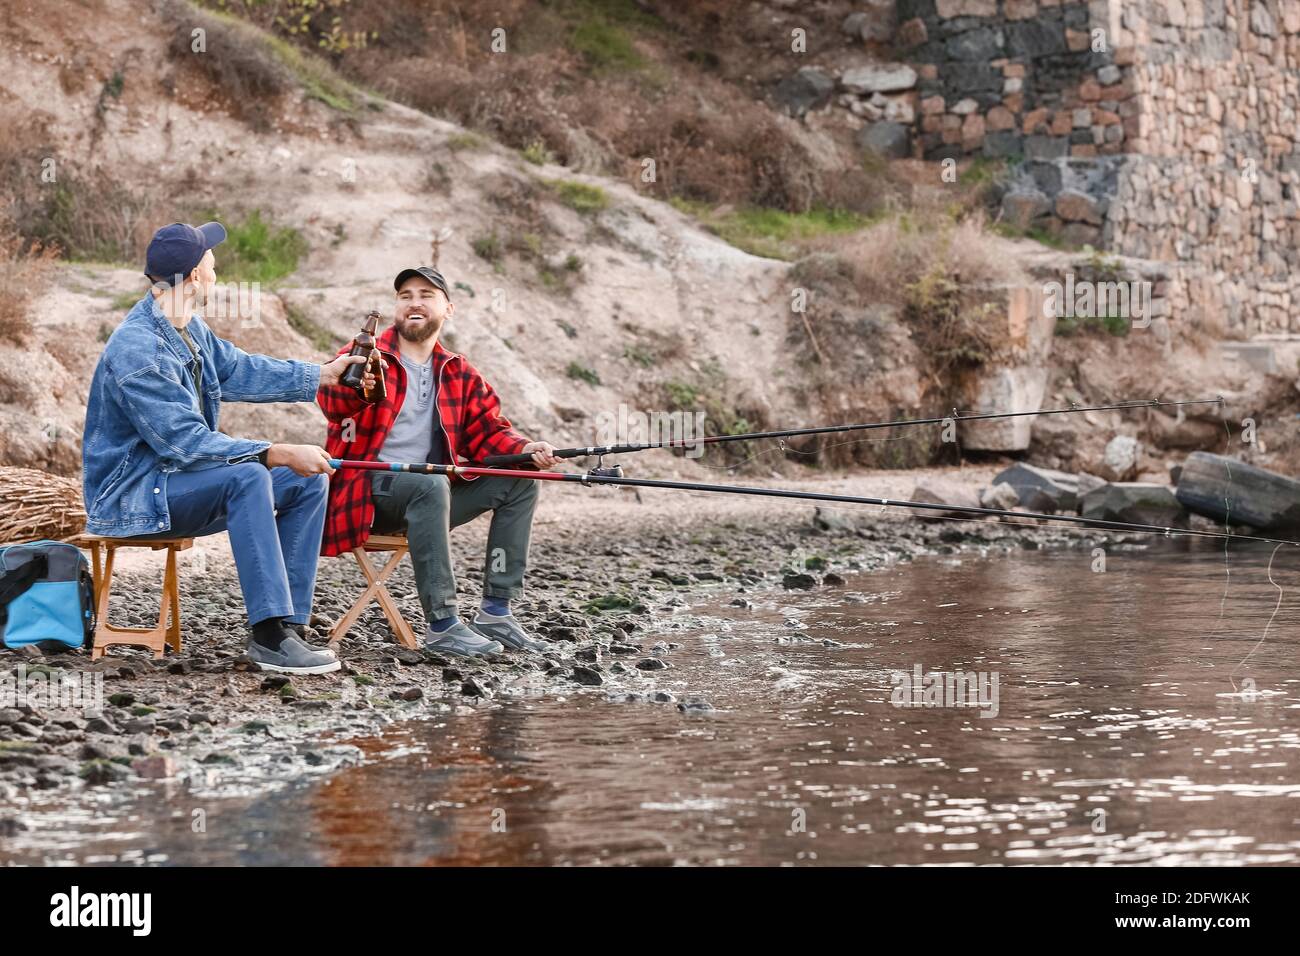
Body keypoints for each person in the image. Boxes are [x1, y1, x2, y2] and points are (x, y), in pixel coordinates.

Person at [83, 221, 375, 674]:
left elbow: (239, 369)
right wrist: (275, 450)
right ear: (195, 277)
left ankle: (289, 625)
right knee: (248, 474)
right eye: (210, 261)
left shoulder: (186, 327)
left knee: (305, 481)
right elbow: (186, 443)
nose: (216, 266)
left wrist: (323, 373)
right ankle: (268, 634)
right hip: (134, 498)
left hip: (178, 486)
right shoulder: (140, 351)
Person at [317, 266, 558, 658]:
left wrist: (528, 449)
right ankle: (443, 623)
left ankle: (496, 611)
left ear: (449, 308)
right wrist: (355, 386)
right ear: (397, 307)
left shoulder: (458, 370)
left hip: (430, 501)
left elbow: (490, 432)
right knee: (430, 484)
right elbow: (332, 404)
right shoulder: (364, 355)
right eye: (405, 295)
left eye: (426, 295)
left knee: (520, 479)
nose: (415, 303)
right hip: (368, 496)